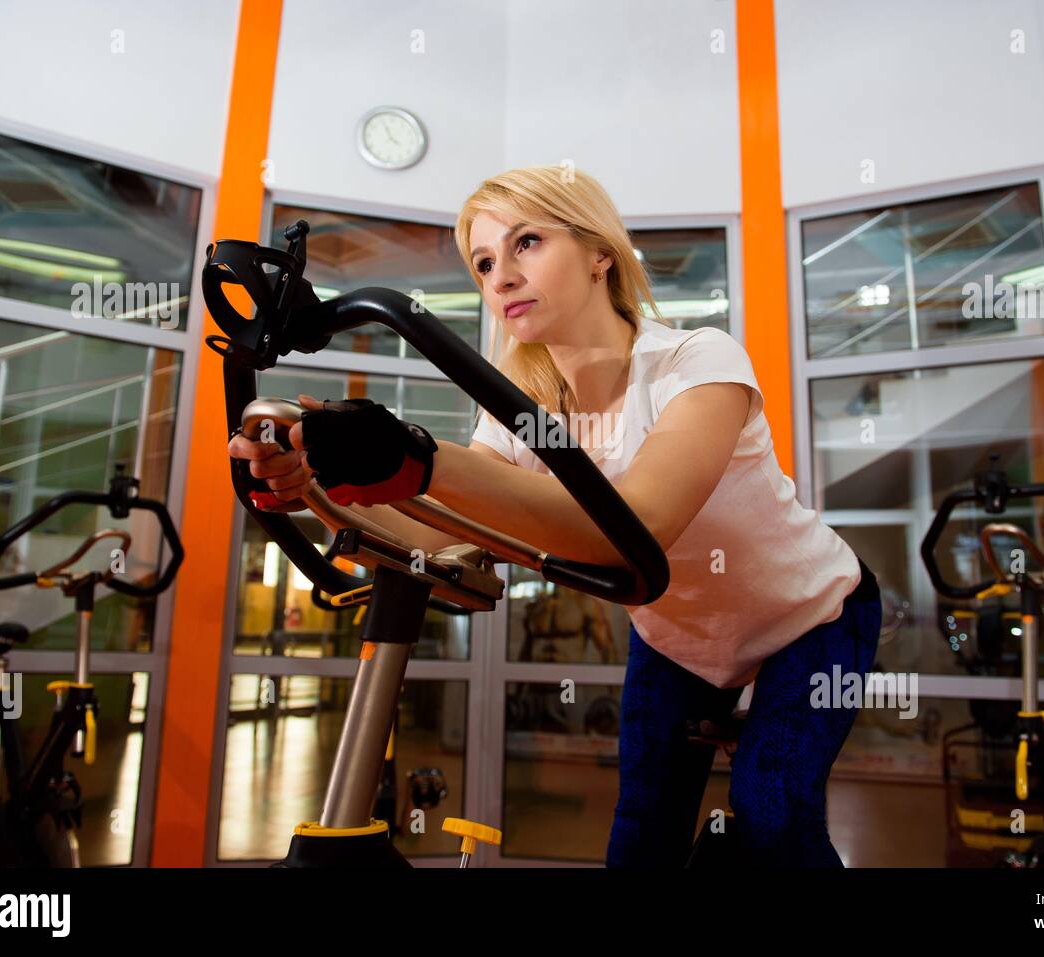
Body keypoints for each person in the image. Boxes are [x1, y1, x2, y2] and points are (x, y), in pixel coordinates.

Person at [227, 165, 882, 868]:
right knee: (639, 839)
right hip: (681, 641)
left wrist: (419, 458)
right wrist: (316, 485)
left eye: (527, 242)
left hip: (811, 617)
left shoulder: (696, 362)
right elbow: (436, 530)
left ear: (601, 253)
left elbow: (640, 524)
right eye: (483, 262)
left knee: (772, 813)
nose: (500, 276)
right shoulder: (518, 414)